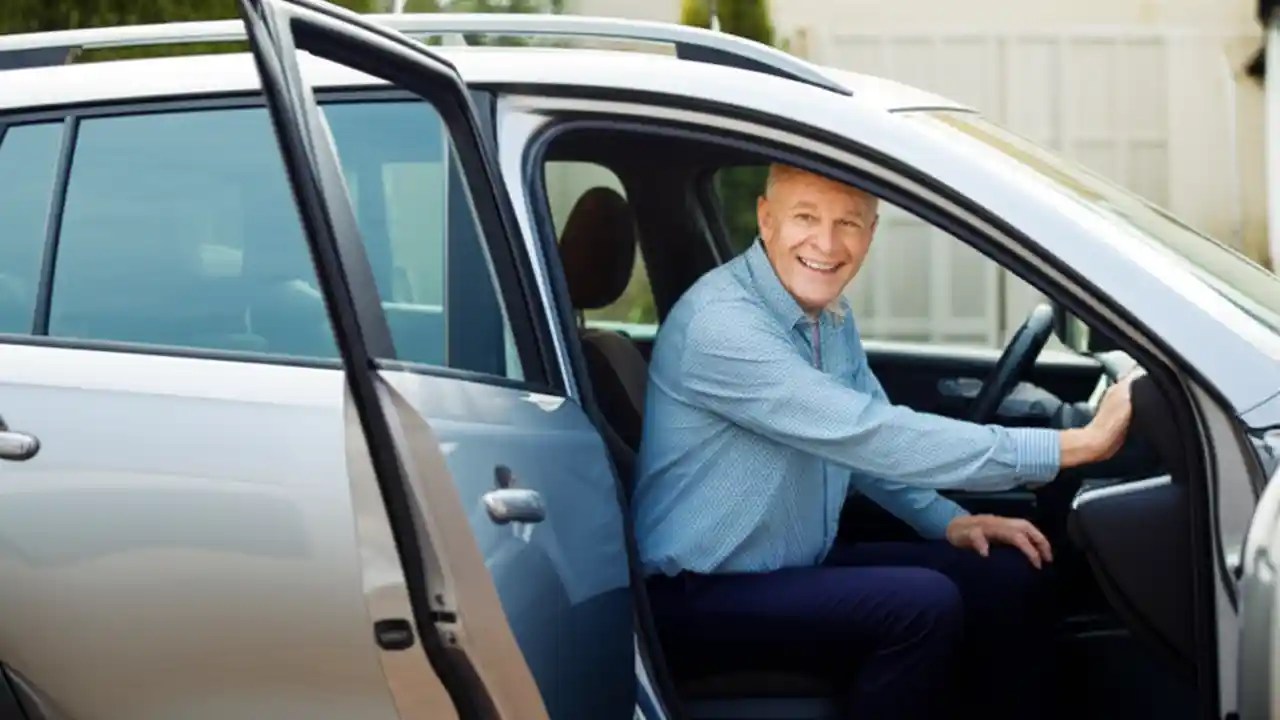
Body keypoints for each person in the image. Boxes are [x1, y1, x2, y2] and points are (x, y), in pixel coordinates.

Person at [631, 162, 1134, 719]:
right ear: (766, 219)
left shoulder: (826, 316)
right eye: (805, 218)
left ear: (871, 233)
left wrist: (949, 522)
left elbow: (864, 450)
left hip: (789, 569)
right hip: (697, 595)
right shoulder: (722, 326)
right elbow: (873, 436)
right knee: (921, 607)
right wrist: (1072, 447)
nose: (826, 243)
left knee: (1005, 573)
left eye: (848, 223)